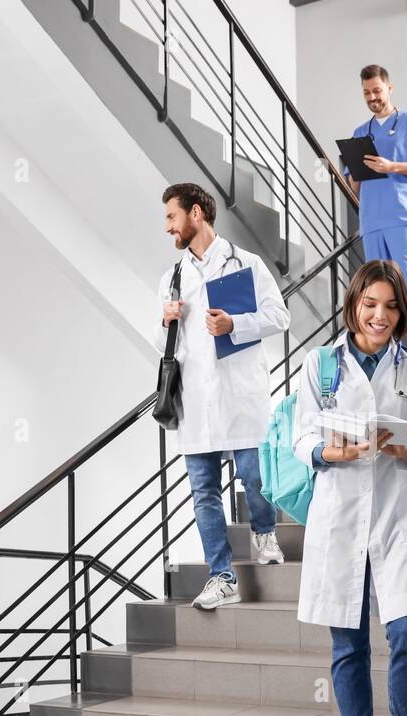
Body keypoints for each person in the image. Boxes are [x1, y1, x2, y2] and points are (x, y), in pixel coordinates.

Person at [293, 260, 407, 716]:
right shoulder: (320, 365)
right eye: (370, 304)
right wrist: (331, 452)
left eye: (391, 306)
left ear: (402, 312)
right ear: (354, 305)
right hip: (339, 514)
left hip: (398, 515)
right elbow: (301, 437)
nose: (380, 316)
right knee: (347, 643)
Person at [154, 183, 289, 610]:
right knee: (204, 491)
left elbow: (279, 316)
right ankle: (222, 575)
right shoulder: (171, 278)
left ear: (196, 213)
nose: (168, 228)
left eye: (172, 217)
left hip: (240, 394)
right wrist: (165, 322)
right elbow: (165, 348)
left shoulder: (244, 264)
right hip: (196, 402)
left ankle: (264, 531)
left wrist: (236, 323)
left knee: (254, 476)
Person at [344, 64, 407, 353]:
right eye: (366, 93)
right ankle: (387, 337)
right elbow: (355, 184)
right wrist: (354, 173)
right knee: (377, 284)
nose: (372, 97)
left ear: (389, 88)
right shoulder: (361, 132)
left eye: (376, 90)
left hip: (403, 215)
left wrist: (392, 166)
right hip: (372, 219)